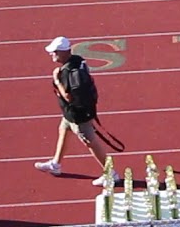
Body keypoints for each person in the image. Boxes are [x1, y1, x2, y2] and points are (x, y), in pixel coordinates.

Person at [34, 37, 118, 186]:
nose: (52, 54)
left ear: (63, 52)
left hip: (78, 114)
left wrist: (57, 79)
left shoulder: (67, 72)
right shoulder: (78, 60)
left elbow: (68, 96)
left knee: (90, 141)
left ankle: (110, 173)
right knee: (64, 130)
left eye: (54, 52)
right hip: (72, 113)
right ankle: (56, 164)